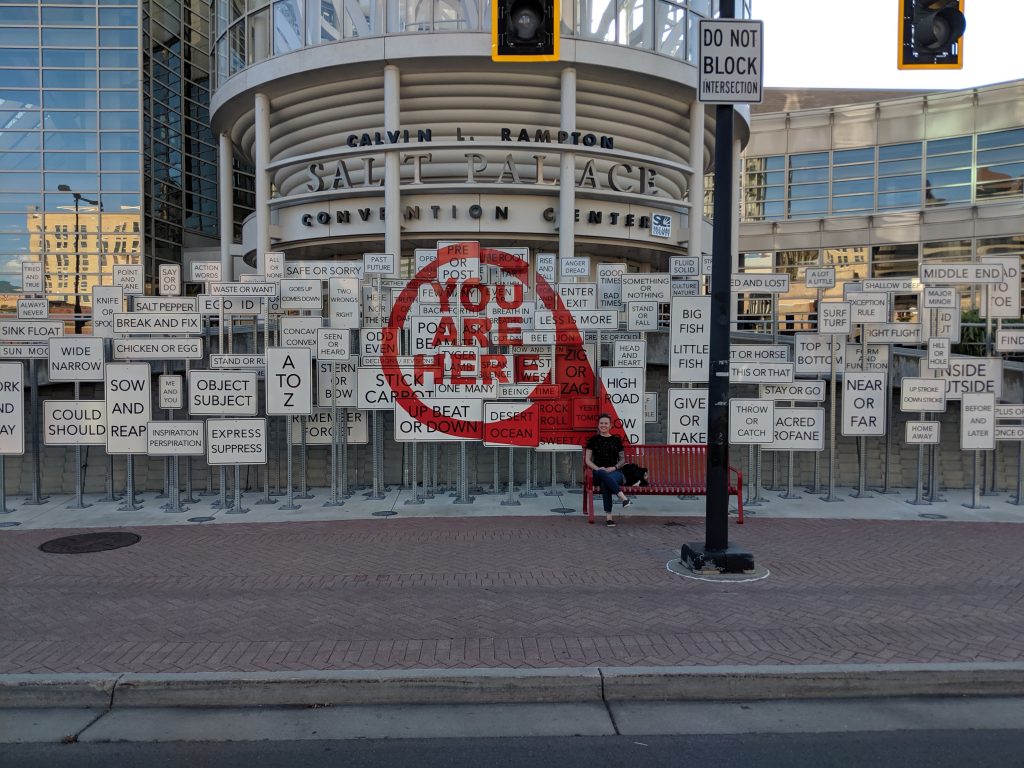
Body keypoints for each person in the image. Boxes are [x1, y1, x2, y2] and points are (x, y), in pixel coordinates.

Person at [584, 413, 631, 527]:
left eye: (606, 423)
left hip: (615, 473)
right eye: (601, 423)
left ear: (610, 426)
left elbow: (622, 460)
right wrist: (598, 468)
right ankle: (623, 498)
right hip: (598, 473)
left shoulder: (616, 440)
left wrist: (614, 467)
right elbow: (587, 460)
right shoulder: (593, 440)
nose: (603, 425)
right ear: (598, 425)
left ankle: (609, 517)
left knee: (606, 483)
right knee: (602, 475)